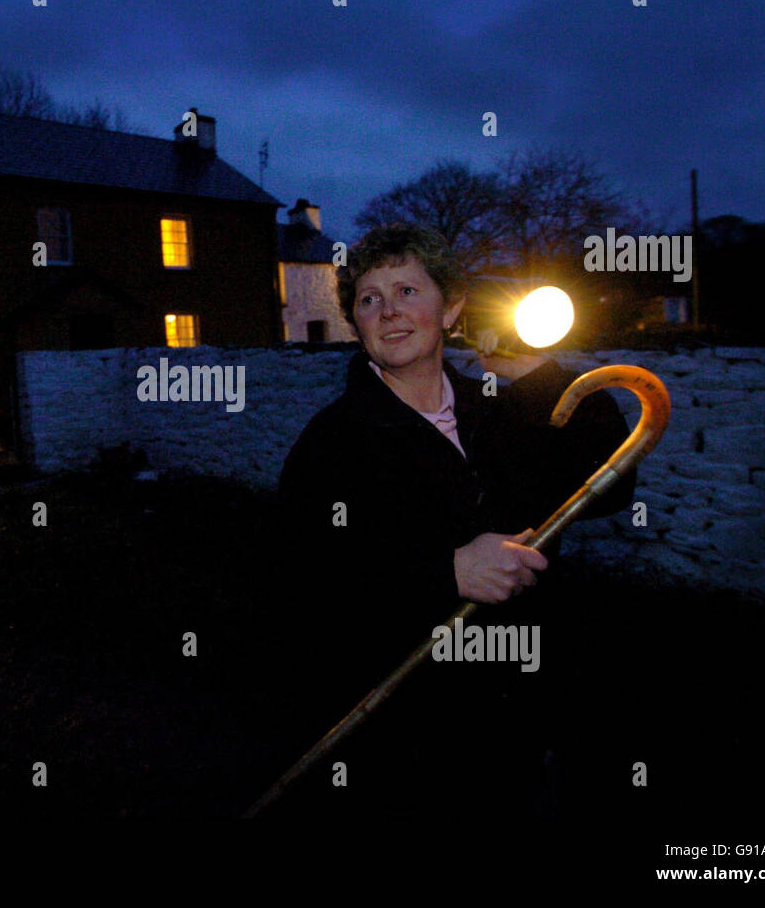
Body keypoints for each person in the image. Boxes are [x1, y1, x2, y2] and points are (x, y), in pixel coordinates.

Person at [261, 222, 636, 817]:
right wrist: (444, 574)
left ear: (452, 306)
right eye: (369, 299)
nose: (388, 312)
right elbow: (302, 595)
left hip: (524, 713)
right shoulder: (332, 446)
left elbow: (607, 486)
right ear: (354, 323)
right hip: (413, 743)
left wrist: (536, 374)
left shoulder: (499, 412)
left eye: (408, 291)